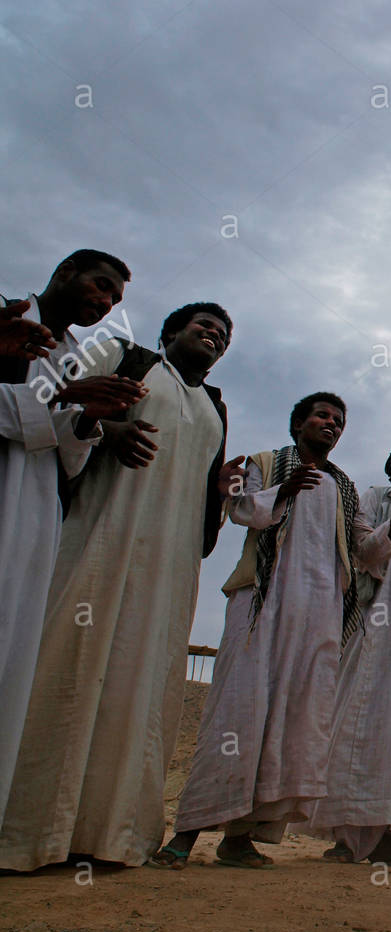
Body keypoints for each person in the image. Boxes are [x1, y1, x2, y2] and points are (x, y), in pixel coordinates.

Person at [0, 300, 234, 871]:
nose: (214, 335)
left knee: (143, 682)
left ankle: (112, 836)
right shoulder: (121, 356)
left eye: (223, 334)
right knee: (68, 663)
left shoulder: (214, 407)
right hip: (99, 537)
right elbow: (55, 417)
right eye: (204, 325)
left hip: (171, 567)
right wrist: (104, 430)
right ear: (172, 331)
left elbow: (206, 498)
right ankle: (30, 834)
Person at [155, 393, 391, 869]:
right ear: (298, 422)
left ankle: (241, 838)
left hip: (319, 618)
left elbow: (367, 550)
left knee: (292, 726)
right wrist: (283, 489)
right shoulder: (264, 464)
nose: (331, 424)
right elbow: (244, 512)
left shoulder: (342, 486)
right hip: (262, 607)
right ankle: (186, 833)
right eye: (322, 415)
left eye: (338, 420)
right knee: (235, 716)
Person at [0, 254, 144, 820]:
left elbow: (68, 457)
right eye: (100, 286)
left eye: (115, 299)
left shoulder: (65, 358)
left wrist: (88, 417)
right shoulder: (9, 318)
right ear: (64, 274)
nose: (106, 303)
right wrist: (63, 400)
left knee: (11, 653)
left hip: (34, 513)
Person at [307, 426, 391, 869]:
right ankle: (348, 834)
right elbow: (360, 553)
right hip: (377, 626)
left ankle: (386, 833)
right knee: (364, 721)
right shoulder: (377, 497)